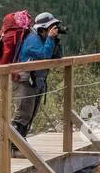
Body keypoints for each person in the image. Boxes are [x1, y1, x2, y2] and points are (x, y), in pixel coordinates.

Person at [11, 12, 63, 140]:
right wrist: (50, 39)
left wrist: (55, 40)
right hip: (26, 82)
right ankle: (14, 147)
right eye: (50, 27)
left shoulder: (43, 39)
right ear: (42, 28)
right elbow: (45, 55)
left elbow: (57, 56)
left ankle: (20, 145)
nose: (52, 29)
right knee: (23, 115)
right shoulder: (32, 40)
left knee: (31, 114)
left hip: (37, 82)